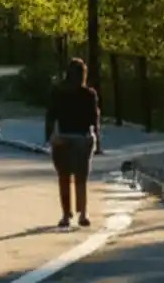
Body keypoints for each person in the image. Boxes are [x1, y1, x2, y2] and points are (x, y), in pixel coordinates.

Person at [45, 58, 101, 228]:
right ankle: (83, 214)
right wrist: (97, 138)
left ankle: (65, 215)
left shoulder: (58, 92)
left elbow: (50, 115)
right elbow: (94, 118)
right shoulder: (89, 94)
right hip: (83, 138)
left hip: (63, 137)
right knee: (81, 178)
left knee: (64, 178)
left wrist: (50, 137)